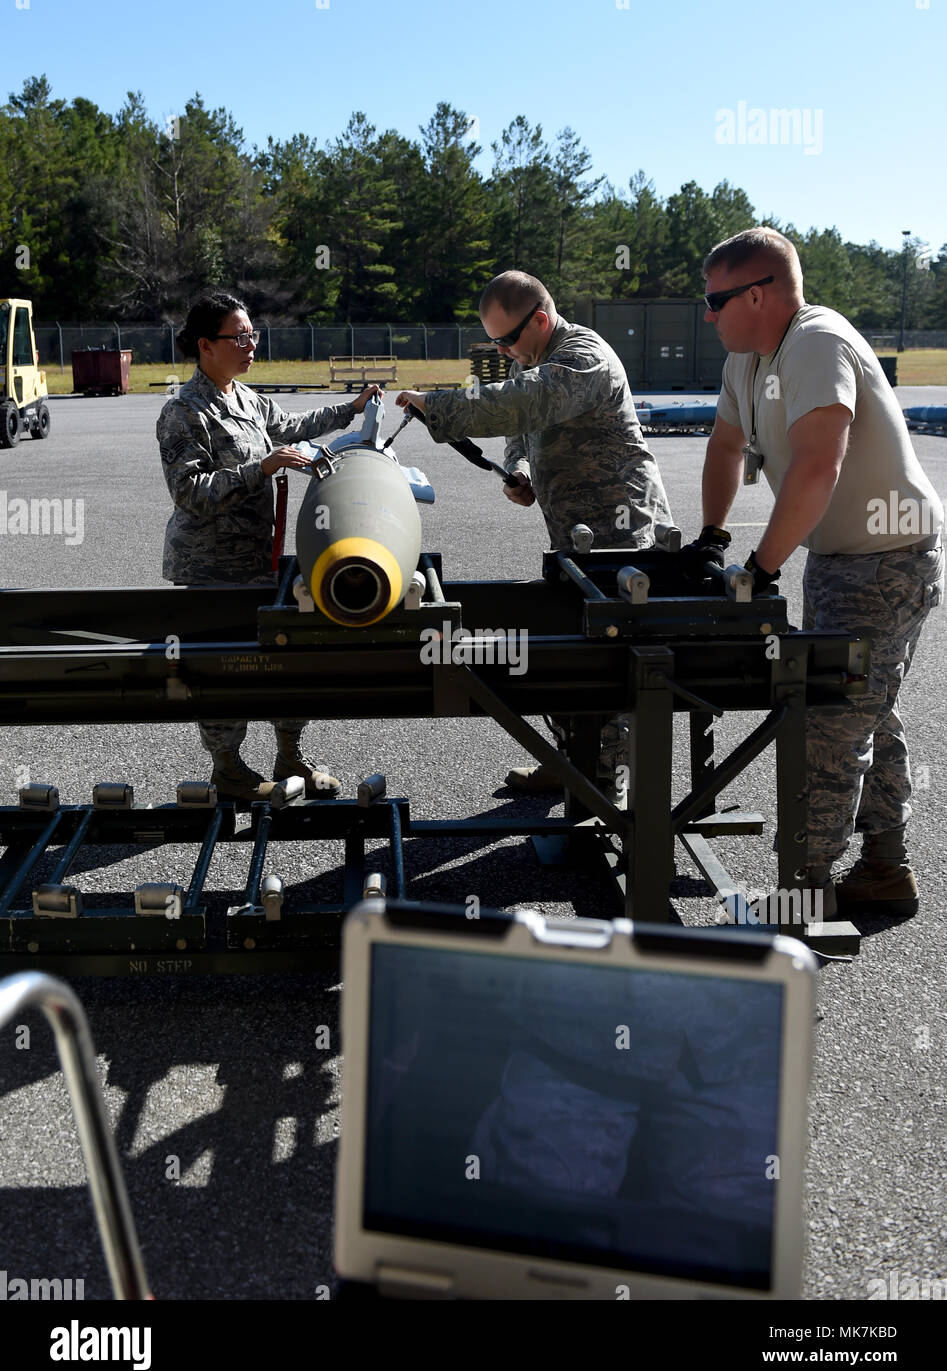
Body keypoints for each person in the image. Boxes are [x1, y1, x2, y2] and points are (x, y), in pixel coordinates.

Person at [690, 227, 943, 918]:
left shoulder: (813, 342)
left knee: (830, 721)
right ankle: (883, 869)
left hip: (888, 558)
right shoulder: (749, 359)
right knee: (867, 709)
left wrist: (758, 568)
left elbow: (815, 465)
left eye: (715, 300)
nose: (706, 315)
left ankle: (804, 895)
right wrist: (712, 540)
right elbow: (723, 445)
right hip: (838, 558)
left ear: (757, 294)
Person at [396, 270, 673, 797]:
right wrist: (520, 469)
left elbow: (519, 403)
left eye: (507, 339)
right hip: (576, 533)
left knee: (611, 652)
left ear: (541, 320)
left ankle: (604, 789)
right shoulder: (539, 358)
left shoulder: (582, 356)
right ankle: (570, 760)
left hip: (622, 531)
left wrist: (438, 405)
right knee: (570, 639)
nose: (501, 352)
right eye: (493, 342)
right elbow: (523, 429)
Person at [157, 291, 383, 802]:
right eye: (238, 337)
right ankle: (229, 769)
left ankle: (289, 754)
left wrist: (351, 408)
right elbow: (189, 493)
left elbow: (294, 427)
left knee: (288, 658)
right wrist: (261, 468)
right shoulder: (184, 412)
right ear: (204, 345)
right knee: (222, 670)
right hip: (211, 567)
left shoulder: (247, 399)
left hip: (260, 562)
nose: (249, 344)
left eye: (252, 335)